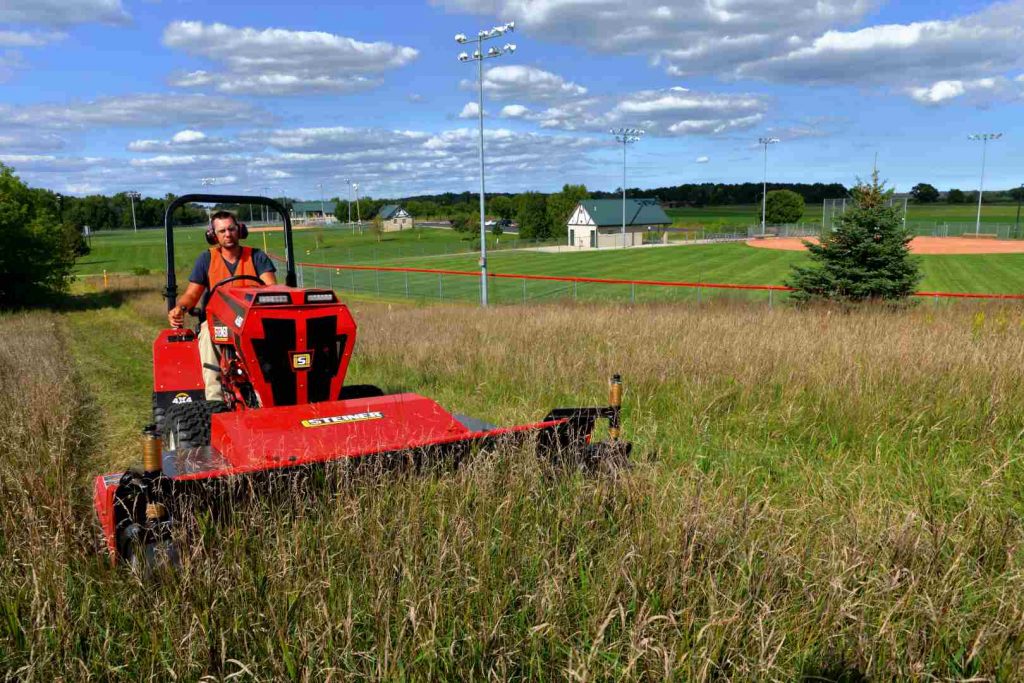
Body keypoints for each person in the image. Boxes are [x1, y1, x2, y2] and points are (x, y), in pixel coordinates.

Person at [168, 210, 277, 401]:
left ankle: (268, 396)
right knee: (208, 334)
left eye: (231, 229)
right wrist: (181, 308)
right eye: (222, 231)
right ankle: (214, 400)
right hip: (218, 321)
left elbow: (271, 288)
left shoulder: (257, 257)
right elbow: (192, 294)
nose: (228, 234)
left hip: (251, 322)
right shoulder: (207, 259)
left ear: (240, 230)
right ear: (213, 235)